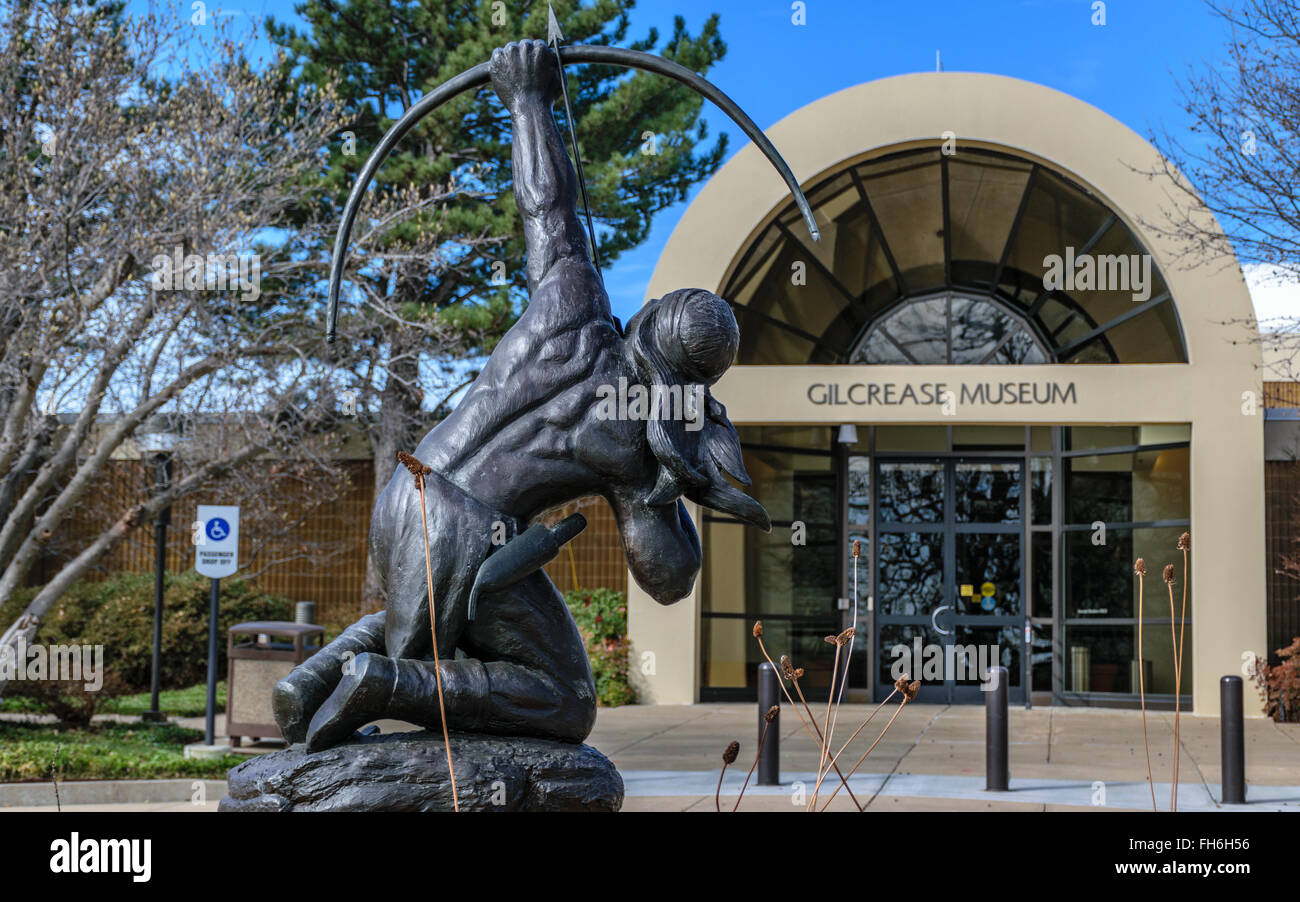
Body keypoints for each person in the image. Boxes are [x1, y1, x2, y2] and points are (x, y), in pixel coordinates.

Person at [273, 40, 769, 751]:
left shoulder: (571, 302)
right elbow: (668, 581)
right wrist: (672, 471)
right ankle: (386, 683)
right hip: (471, 537)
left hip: (405, 495)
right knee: (568, 702)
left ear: (647, 314)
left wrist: (527, 101)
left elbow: (548, 204)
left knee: (432, 604)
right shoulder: (635, 439)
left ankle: (316, 677)